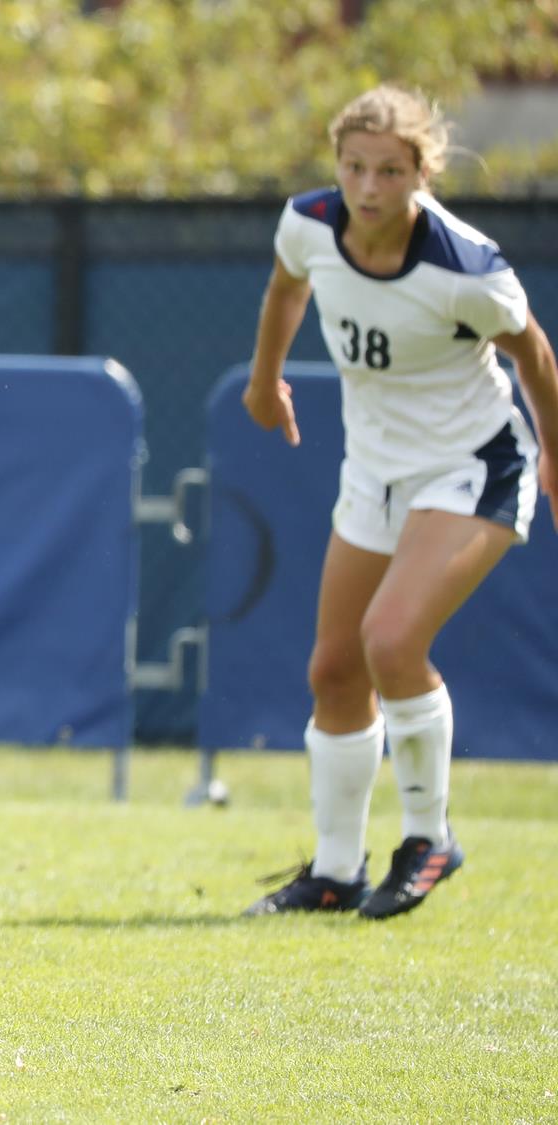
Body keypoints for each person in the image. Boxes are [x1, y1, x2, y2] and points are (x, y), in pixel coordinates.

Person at [241, 85, 557, 920]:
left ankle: (429, 836)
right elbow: (287, 286)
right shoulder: (308, 223)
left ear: (423, 172)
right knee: (334, 668)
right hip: (376, 469)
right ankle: (336, 870)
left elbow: (534, 355)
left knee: (390, 640)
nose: (368, 187)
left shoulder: (466, 268)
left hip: (472, 464)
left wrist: (556, 456)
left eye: (389, 170)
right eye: (354, 167)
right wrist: (266, 378)